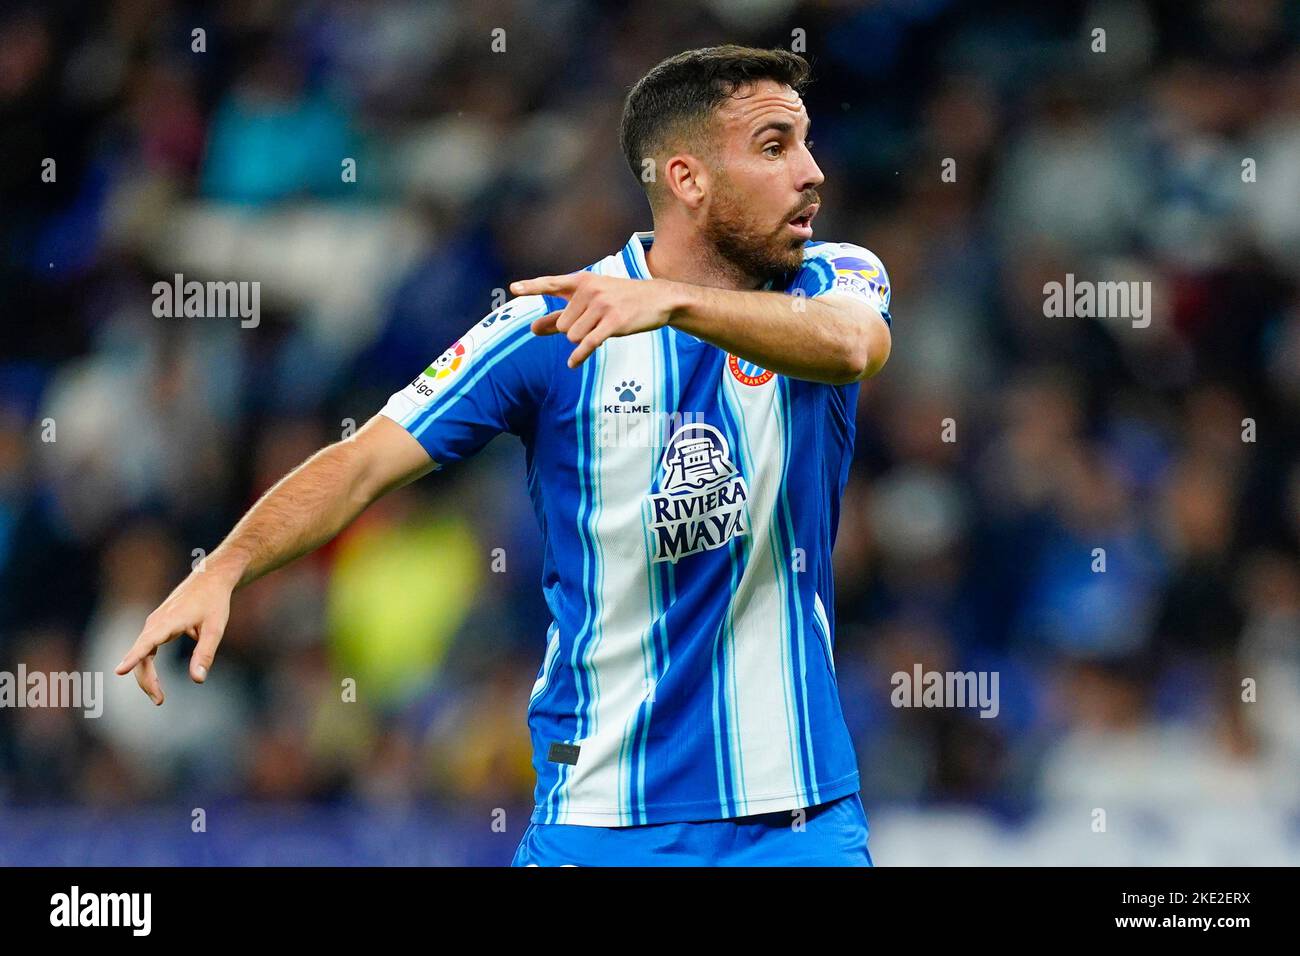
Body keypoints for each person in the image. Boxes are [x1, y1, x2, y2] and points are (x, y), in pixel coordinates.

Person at [117, 44, 893, 866]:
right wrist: (225, 567)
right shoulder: (548, 327)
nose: (810, 171)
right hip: (599, 816)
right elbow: (362, 464)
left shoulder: (834, 278)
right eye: (774, 147)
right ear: (687, 179)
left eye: (806, 143)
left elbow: (851, 348)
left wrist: (675, 304)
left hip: (796, 818)